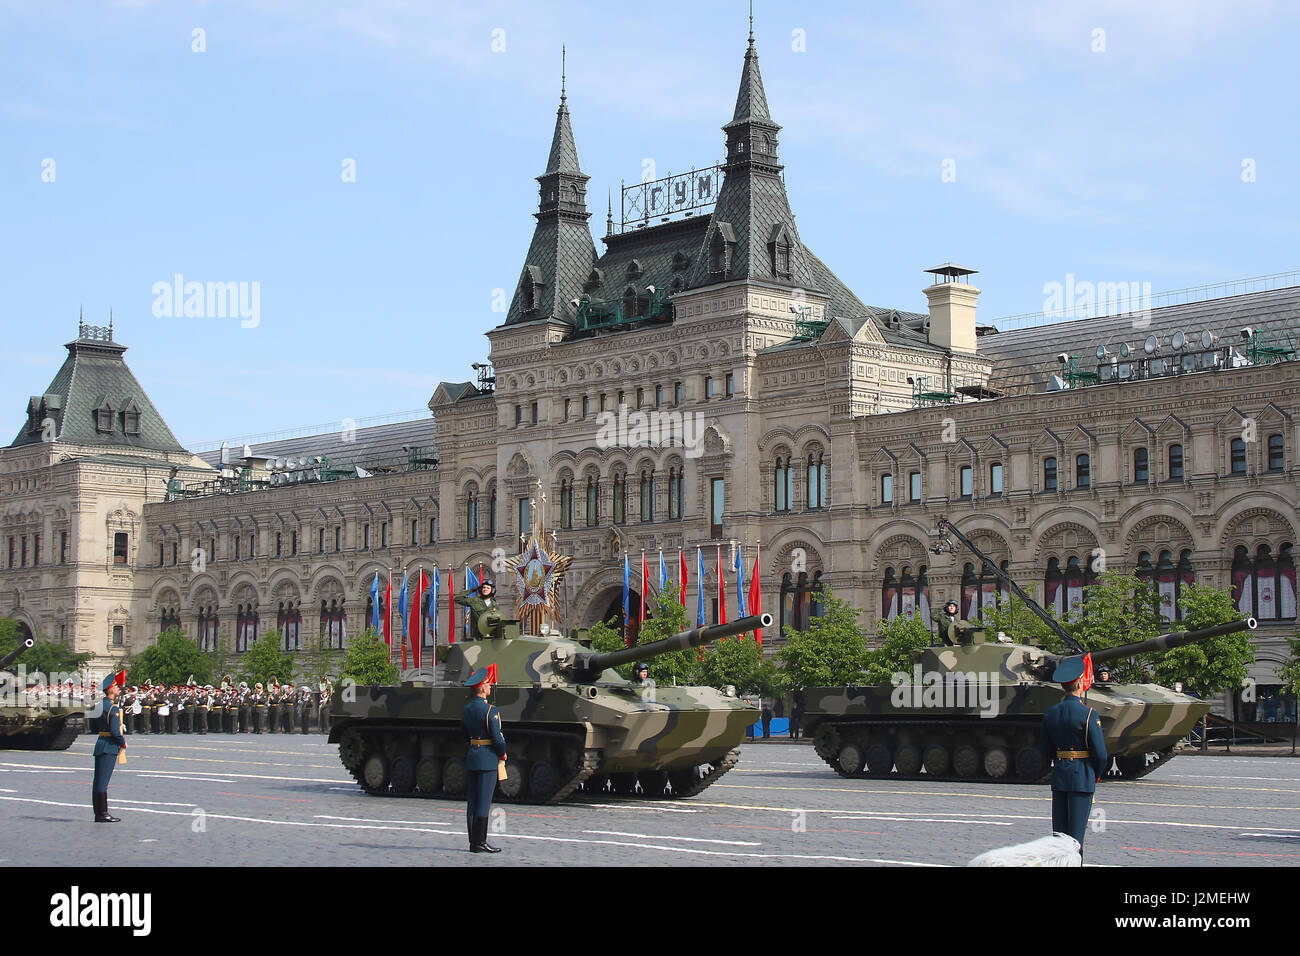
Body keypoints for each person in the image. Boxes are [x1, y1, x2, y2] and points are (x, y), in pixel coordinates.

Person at [1037, 656, 1107, 862]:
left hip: (1060, 777)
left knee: (1059, 837)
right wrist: (1095, 774)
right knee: (1075, 840)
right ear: (1078, 684)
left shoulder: (1051, 713)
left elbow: (1043, 749)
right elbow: (1101, 754)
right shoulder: (1088, 714)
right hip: (1082, 778)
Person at [460, 667, 506, 853]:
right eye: (488, 684)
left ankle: (473, 841)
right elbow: (497, 738)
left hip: (472, 756)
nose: (490, 687)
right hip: (487, 758)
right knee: (484, 802)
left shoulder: (467, 709)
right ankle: (480, 842)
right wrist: (502, 753)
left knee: (472, 801)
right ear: (481, 688)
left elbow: (464, 734)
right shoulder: (490, 710)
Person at [91, 670, 128, 823]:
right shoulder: (113, 709)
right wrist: (122, 742)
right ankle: (102, 813)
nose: (118, 689)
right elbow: (114, 731)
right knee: (103, 782)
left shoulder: (99, 706)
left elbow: (94, 727)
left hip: (100, 743)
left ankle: (98, 812)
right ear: (111, 689)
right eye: (116, 687)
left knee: (98, 780)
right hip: (109, 746)